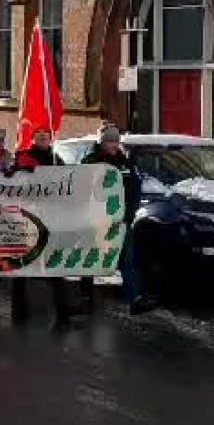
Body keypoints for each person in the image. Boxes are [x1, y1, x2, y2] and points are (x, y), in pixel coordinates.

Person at [81, 124, 156, 314]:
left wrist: (129, 214)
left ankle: (133, 298)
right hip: (97, 221)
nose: (114, 145)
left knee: (127, 259)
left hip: (121, 220)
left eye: (116, 141)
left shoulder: (124, 162)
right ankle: (87, 298)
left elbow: (135, 189)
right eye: (110, 141)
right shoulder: (90, 162)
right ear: (102, 143)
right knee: (92, 259)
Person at [11, 126, 77, 325]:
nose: (42, 138)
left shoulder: (57, 159)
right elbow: (13, 180)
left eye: (45, 136)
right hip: (26, 219)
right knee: (21, 265)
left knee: (53, 266)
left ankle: (62, 311)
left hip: (49, 219)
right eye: (39, 135)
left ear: (50, 139)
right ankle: (19, 310)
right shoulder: (23, 157)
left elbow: (68, 183)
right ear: (33, 139)